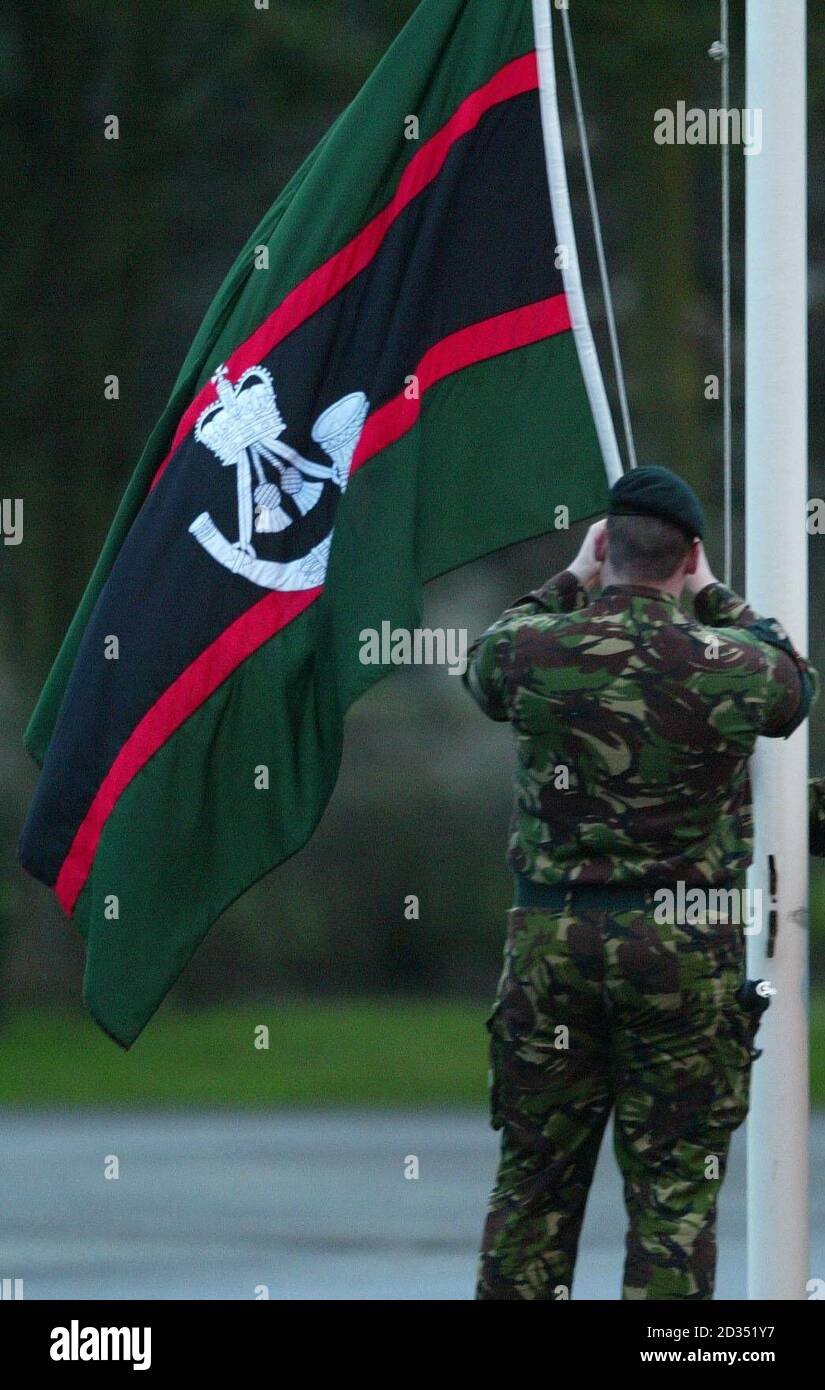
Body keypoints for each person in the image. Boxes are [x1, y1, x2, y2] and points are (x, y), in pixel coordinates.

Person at [463, 465, 818, 1301]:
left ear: (604, 547)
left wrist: (568, 578)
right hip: (680, 952)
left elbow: (483, 663)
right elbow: (793, 685)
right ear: (688, 555)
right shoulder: (727, 658)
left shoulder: (533, 650)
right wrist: (716, 595)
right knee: (673, 1200)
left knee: (532, 1188)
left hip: (552, 945)